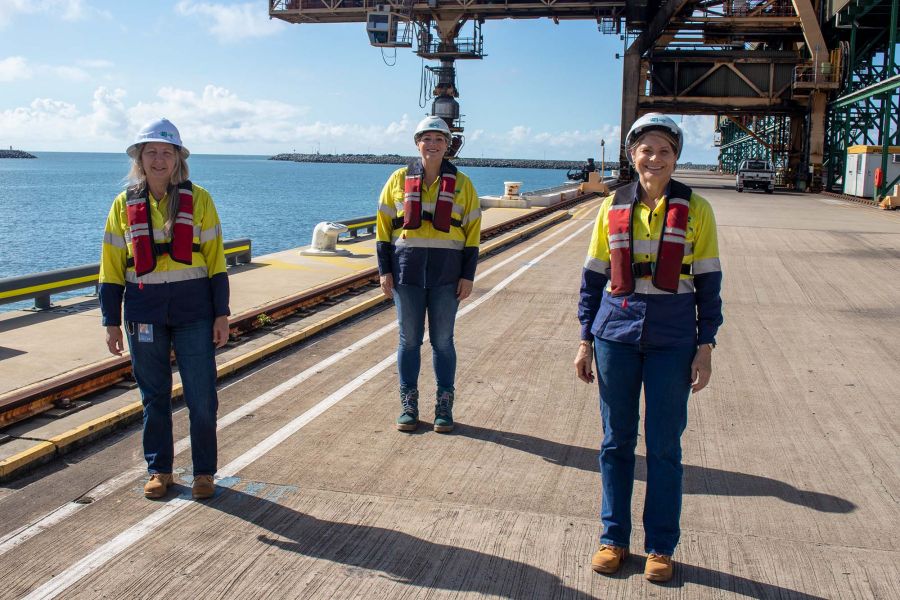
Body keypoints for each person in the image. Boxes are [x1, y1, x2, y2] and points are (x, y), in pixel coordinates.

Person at [573, 113, 723, 582]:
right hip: (614, 334)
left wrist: (706, 345)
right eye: (646, 149)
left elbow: (710, 281)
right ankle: (613, 538)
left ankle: (660, 545)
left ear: (675, 157)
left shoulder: (697, 210)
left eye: (664, 150)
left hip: (673, 339)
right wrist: (583, 339)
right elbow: (594, 276)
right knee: (615, 442)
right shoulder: (610, 207)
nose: (654, 158)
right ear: (632, 155)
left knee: (663, 446)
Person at [99, 118, 230, 500]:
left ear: (178, 159)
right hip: (144, 313)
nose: (159, 159)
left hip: (194, 312)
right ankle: (160, 470)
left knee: (202, 396)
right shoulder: (123, 205)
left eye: (166, 153)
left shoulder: (200, 199)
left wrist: (221, 313)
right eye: (151, 152)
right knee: (153, 396)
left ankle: (204, 472)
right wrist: (111, 321)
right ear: (140, 159)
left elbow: (216, 260)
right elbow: (110, 266)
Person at [376, 115, 482, 433]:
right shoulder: (397, 180)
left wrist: (468, 275)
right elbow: (382, 230)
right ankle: (409, 405)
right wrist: (384, 272)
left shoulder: (463, 185)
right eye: (426, 138)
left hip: (447, 277)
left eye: (439, 139)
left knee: (443, 341)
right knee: (408, 341)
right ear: (417, 143)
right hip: (406, 274)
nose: (432, 145)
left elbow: (473, 233)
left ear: (448, 146)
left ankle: (444, 405)